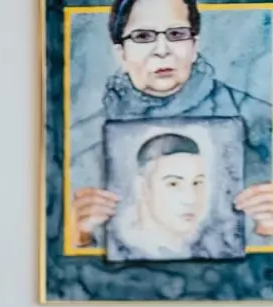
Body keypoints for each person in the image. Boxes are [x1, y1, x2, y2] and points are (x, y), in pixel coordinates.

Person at [70, 0, 273, 249]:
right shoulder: (80, 142)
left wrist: (266, 231)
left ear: (194, 45)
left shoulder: (261, 122)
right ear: (120, 52)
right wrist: (78, 236)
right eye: (143, 36)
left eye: (176, 34)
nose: (162, 50)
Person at [111, 132, 213, 259]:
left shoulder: (209, 248)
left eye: (197, 183)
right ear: (142, 188)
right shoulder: (116, 248)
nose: (191, 199)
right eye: (173, 184)